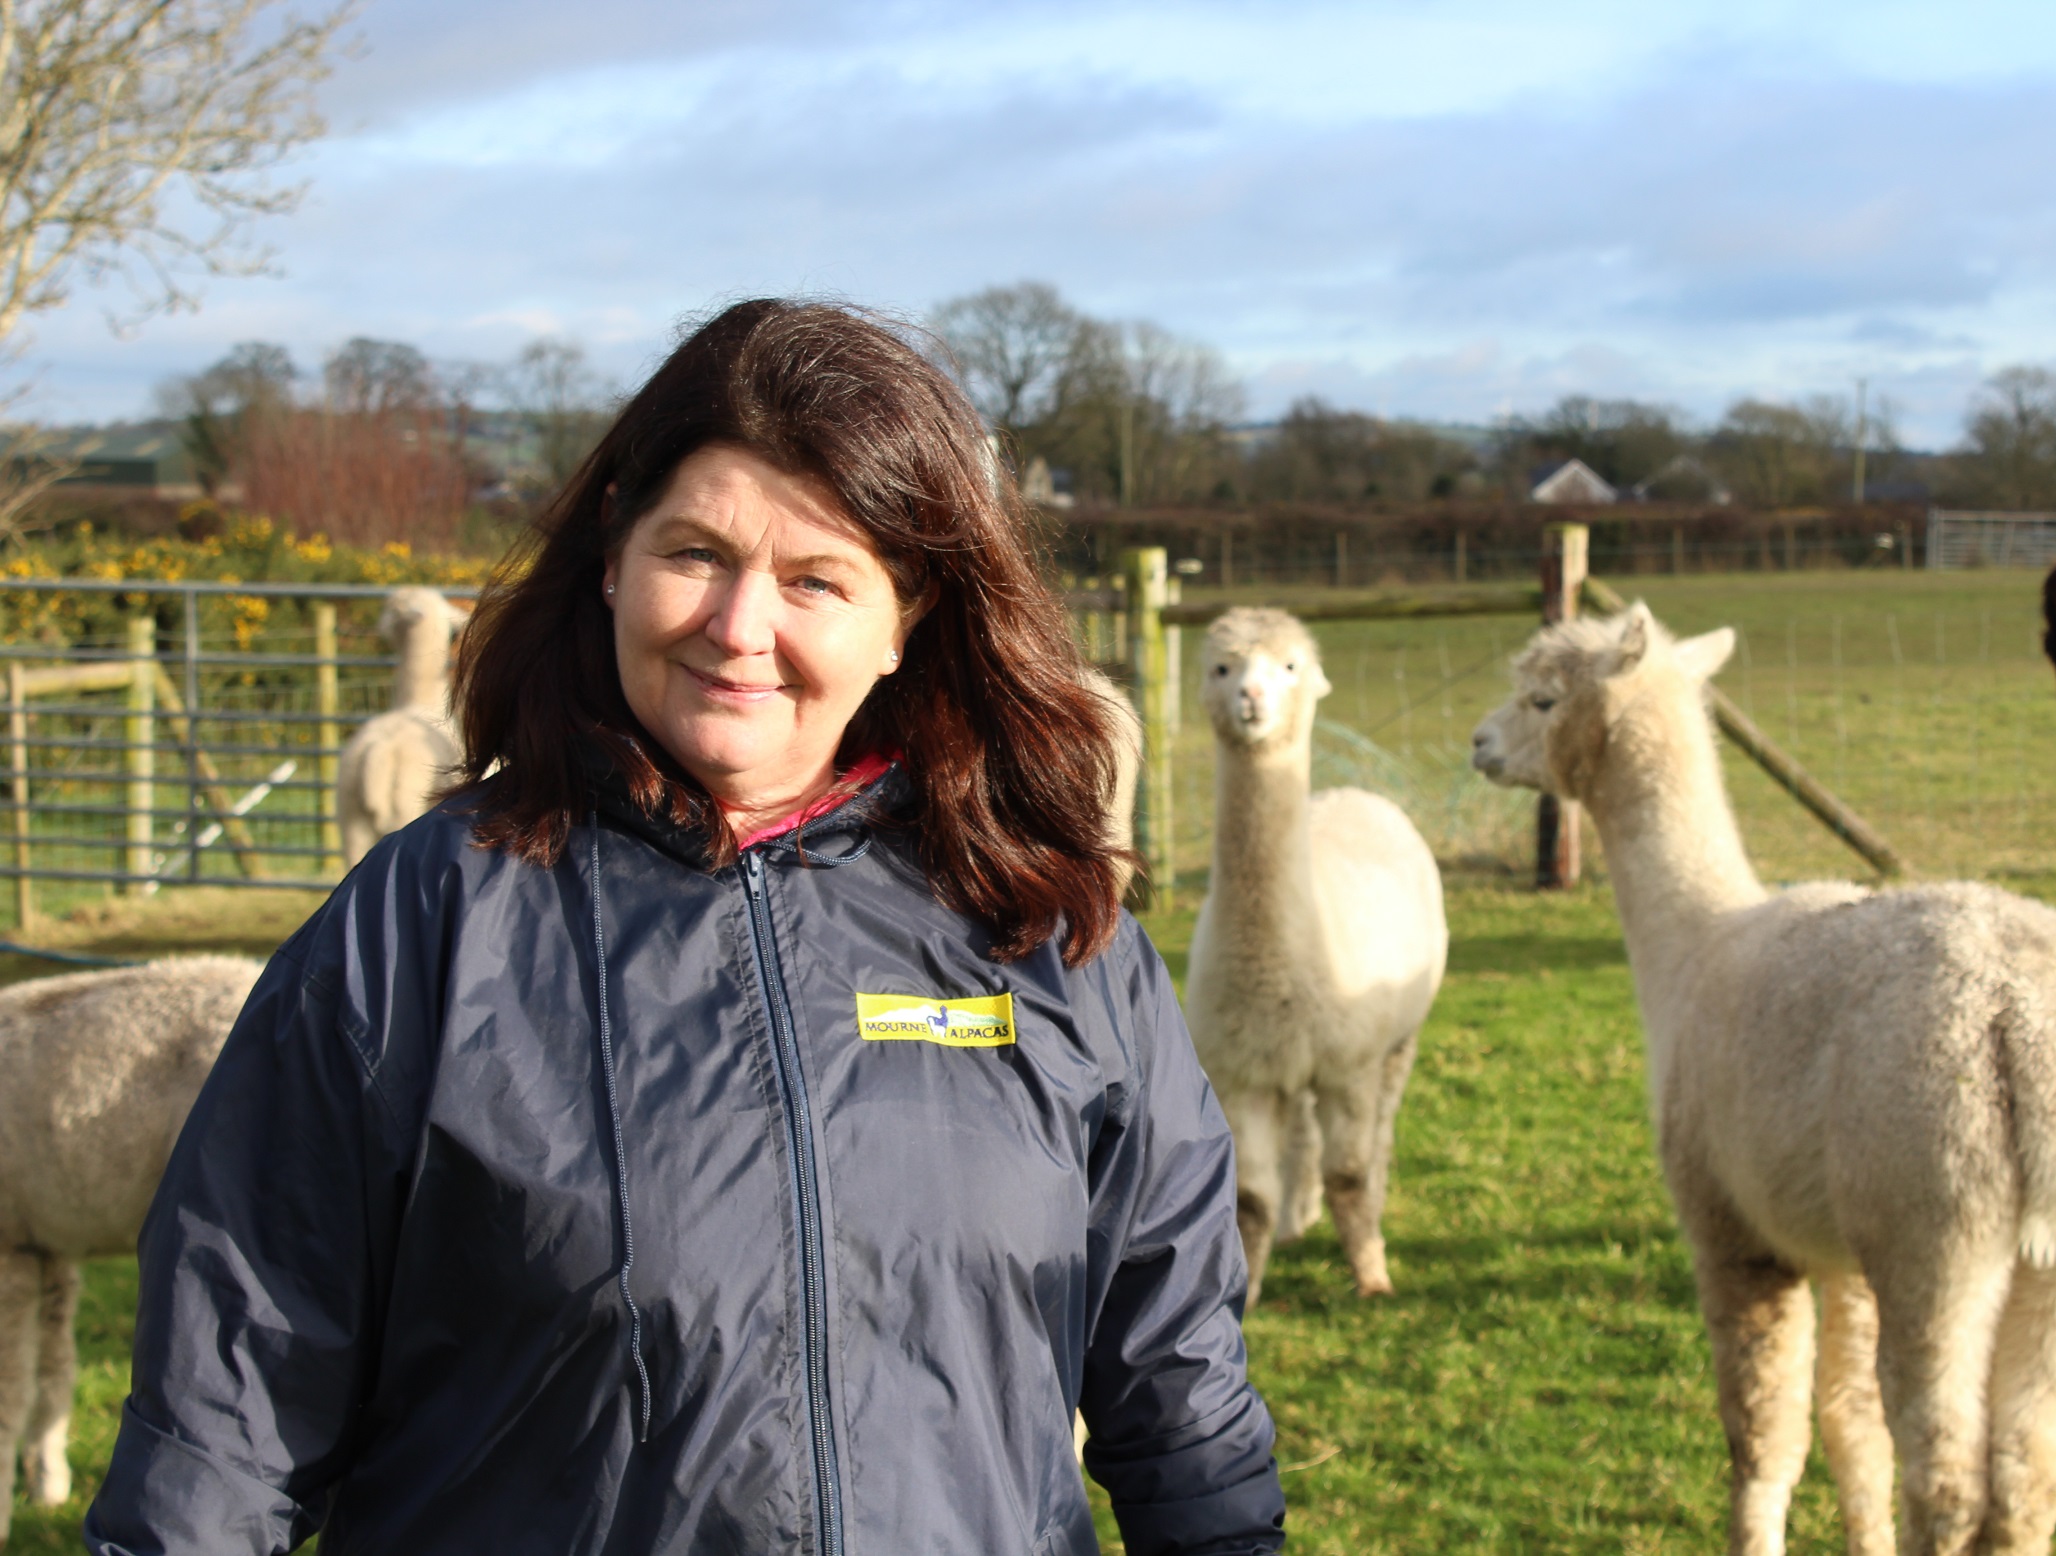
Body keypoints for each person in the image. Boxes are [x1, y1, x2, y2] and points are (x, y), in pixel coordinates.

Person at [86, 300, 1285, 1555]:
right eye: (697, 553)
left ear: (906, 613)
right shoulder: (425, 924)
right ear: (614, 550)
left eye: (815, 579)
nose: (739, 626)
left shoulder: (1038, 924)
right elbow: (225, 1412)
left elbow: (1180, 1390)